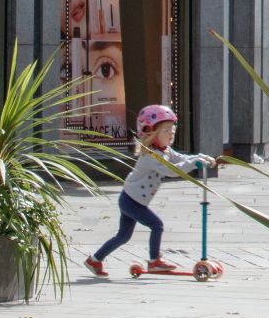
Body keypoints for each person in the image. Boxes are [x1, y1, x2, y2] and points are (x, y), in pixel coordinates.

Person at [85, 103, 216, 276]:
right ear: (150, 133)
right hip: (131, 201)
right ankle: (154, 261)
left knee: (123, 236)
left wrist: (200, 158)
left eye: (172, 129)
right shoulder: (151, 156)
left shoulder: (164, 151)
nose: (171, 134)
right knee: (157, 225)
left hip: (131, 198)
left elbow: (181, 158)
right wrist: (194, 163)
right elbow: (172, 170)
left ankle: (94, 260)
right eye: (166, 130)